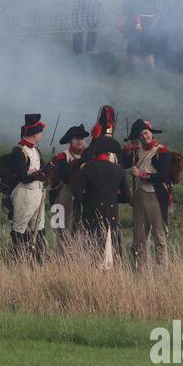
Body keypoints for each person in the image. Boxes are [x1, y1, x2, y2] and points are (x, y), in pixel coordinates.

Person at [74, 106, 129, 266]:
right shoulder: (89, 157)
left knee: (105, 244)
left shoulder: (110, 159)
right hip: (106, 205)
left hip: (100, 205)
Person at [123, 119, 173, 269]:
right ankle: (141, 269)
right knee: (139, 237)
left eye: (145, 133)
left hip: (155, 196)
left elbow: (164, 176)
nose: (144, 137)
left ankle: (162, 270)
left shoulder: (162, 151)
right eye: (141, 135)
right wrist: (126, 152)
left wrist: (142, 175)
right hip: (139, 196)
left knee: (159, 237)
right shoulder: (136, 152)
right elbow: (122, 164)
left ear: (150, 132)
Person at [4, 114, 48, 260]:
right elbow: (23, 176)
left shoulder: (36, 150)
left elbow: (41, 169)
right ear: (34, 134)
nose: (41, 133)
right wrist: (38, 175)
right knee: (19, 229)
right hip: (24, 193)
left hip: (37, 192)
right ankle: (16, 259)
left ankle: (38, 260)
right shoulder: (19, 151)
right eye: (40, 131)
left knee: (38, 228)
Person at [48, 123, 87, 250]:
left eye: (82, 139)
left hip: (81, 194)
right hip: (64, 194)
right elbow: (66, 176)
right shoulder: (63, 156)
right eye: (77, 139)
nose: (80, 141)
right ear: (71, 140)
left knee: (79, 229)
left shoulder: (87, 156)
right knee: (62, 229)